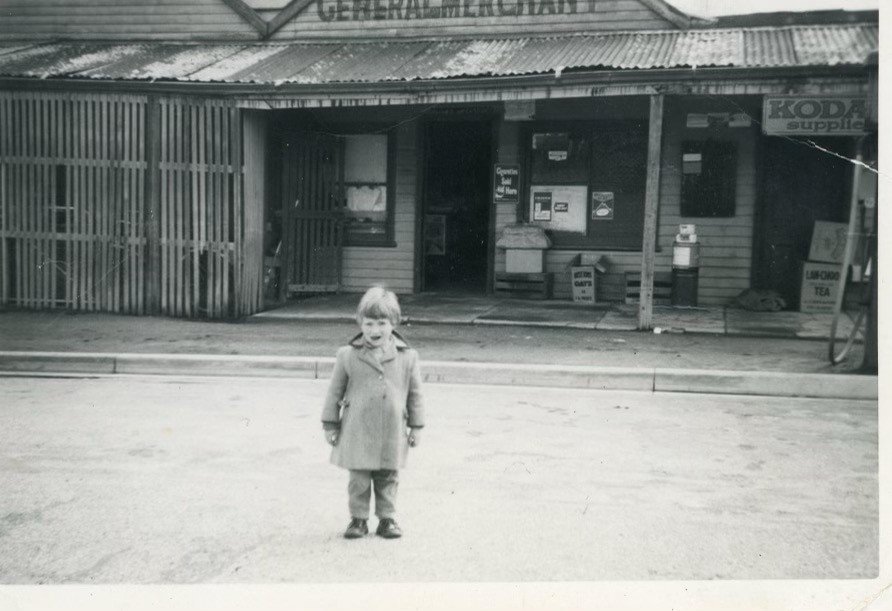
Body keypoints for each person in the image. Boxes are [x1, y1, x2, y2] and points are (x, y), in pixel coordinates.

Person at [321, 286, 425, 539]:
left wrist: (416, 427)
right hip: (357, 429)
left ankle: (387, 519)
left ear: (394, 323)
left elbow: (415, 395)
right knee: (358, 478)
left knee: (388, 476)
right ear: (360, 323)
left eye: (381, 323)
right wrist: (330, 425)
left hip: (392, 429)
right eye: (368, 323)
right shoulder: (347, 355)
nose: (374, 330)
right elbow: (334, 393)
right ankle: (358, 519)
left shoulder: (408, 357)